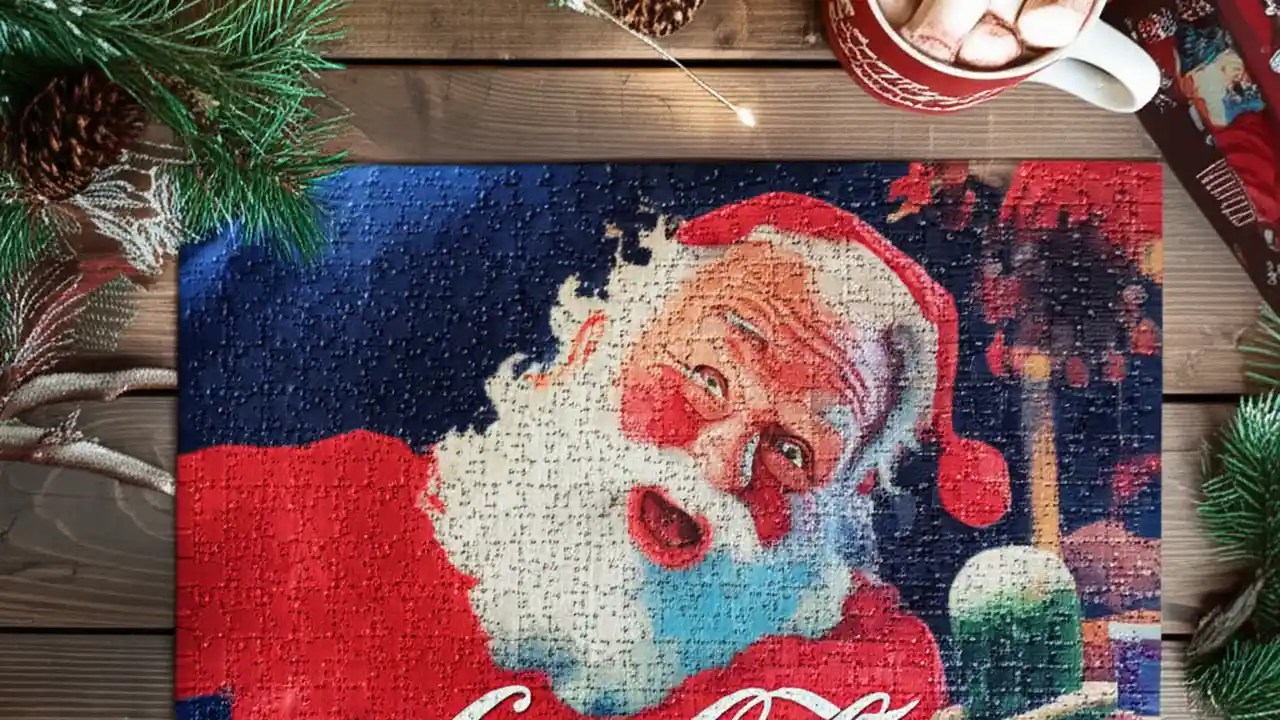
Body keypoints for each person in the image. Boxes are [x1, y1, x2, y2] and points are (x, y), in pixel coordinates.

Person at [177, 193, 1010, 719]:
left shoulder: (861, 670)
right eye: (707, 376)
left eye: (793, 448)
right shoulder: (324, 513)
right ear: (592, 350)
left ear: (835, 508)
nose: (724, 462)